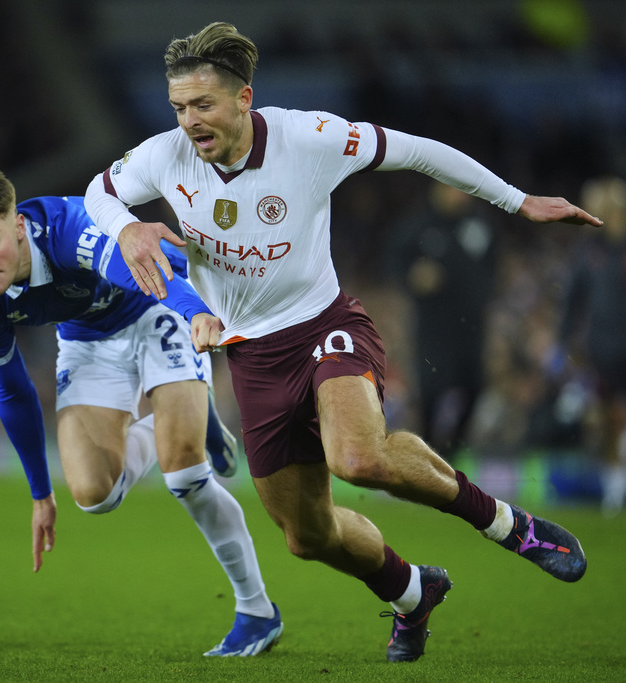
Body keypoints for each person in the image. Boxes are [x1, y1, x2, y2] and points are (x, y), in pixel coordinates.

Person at [83, 21, 595, 663]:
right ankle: (412, 592)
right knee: (308, 537)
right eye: (180, 107)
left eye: (203, 105)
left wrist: (517, 201)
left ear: (244, 98)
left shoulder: (310, 137)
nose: (189, 120)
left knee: (358, 459)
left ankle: (507, 526)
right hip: (252, 358)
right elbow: (99, 193)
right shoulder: (165, 155)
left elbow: (418, 150)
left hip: (324, 327)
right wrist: (128, 229)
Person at [0, 166, 282, 656]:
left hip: (157, 301)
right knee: (94, 495)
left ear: (18, 226)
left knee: (183, 473)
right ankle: (188, 414)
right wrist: (40, 494)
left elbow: (137, 270)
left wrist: (197, 314)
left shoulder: (69, 228)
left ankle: (257, 611)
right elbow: (12, 390)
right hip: (86, 339)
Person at [386, 183, 497, 457]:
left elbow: (493, 266)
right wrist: (413, 275)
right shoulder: (419, 227)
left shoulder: (480, 227)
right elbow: (392, 261)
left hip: (471, 325)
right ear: (436, 191)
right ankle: (425, 445)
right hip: (433, 325)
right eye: (452, 188)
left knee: (475, 386)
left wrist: (483, 295)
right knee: (432, 390)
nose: (459, 195)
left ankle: (453, 448)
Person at [554, 176, 626, 515]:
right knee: (607, 420)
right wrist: (563, 342)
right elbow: (572, 301)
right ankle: (615, 488)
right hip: (603, 350)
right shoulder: (589, 252)